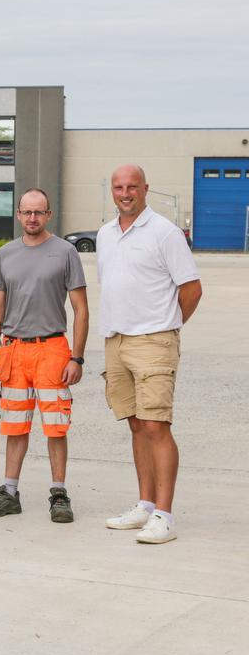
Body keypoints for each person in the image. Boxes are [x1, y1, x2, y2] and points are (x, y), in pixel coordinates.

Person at [98, 164, 201, 544]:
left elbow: (191, 289)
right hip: (116, 340)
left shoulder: (165, 233)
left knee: (157, 426)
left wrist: (167, 328)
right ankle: (144, 505)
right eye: (118, 187)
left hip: (154, 341)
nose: (125, 193)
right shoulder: (106, 234)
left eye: (132, 187)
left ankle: (164, 515)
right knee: (136, 424)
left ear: (146, 189)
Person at [0, 189, 88, 523]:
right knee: (14, 426)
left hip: (52, 348)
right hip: (13, 350)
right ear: (18, 214)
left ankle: (58, 493)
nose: (32, 218)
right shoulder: (7, 253)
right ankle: (9, 492)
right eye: (26, 212)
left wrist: (77, 358)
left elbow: (81, 309)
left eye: (38, 212)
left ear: (49, 214)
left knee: (56, 426)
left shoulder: (66, 252)